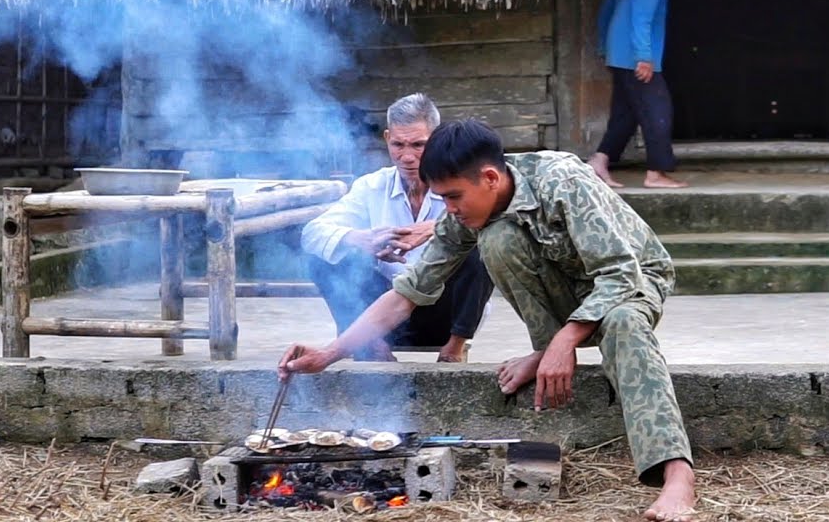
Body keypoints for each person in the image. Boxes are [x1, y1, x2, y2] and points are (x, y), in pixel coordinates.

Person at [281, 119, 697, 522]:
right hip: (572, 290)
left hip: (633, 279)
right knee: (497, 239)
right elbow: (407, 294)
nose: (449, 209)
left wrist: (563, 343)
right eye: (442, 198)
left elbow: (620, 274)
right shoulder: (466, 212)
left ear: (491, 179)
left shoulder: (565, 181)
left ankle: (677, 473)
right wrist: (329, 354)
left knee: (623, 322)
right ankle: (547, 345)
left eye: (454, 197)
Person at [299, 94, 493, 363]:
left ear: (437, 140)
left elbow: (493, 220)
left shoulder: (460, 182)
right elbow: (311, 234)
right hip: (385, 316)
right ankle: (374, 347)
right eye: (398, 145)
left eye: (418, 145)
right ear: (387, 138)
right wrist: (360, 239)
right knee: (326, 254)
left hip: (446, 315)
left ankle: (455, 349)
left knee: (481, 246)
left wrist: (439, 228)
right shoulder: (372, 186)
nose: (407, 157)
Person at [588, 0, 689, 189]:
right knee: (658, 110)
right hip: (636, 54)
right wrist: (644, 56)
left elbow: (607, 6)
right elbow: (641, 14)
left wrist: (604, 45)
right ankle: (656, 172)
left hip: (619, 51)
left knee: (626, 113)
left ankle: (599, 162)